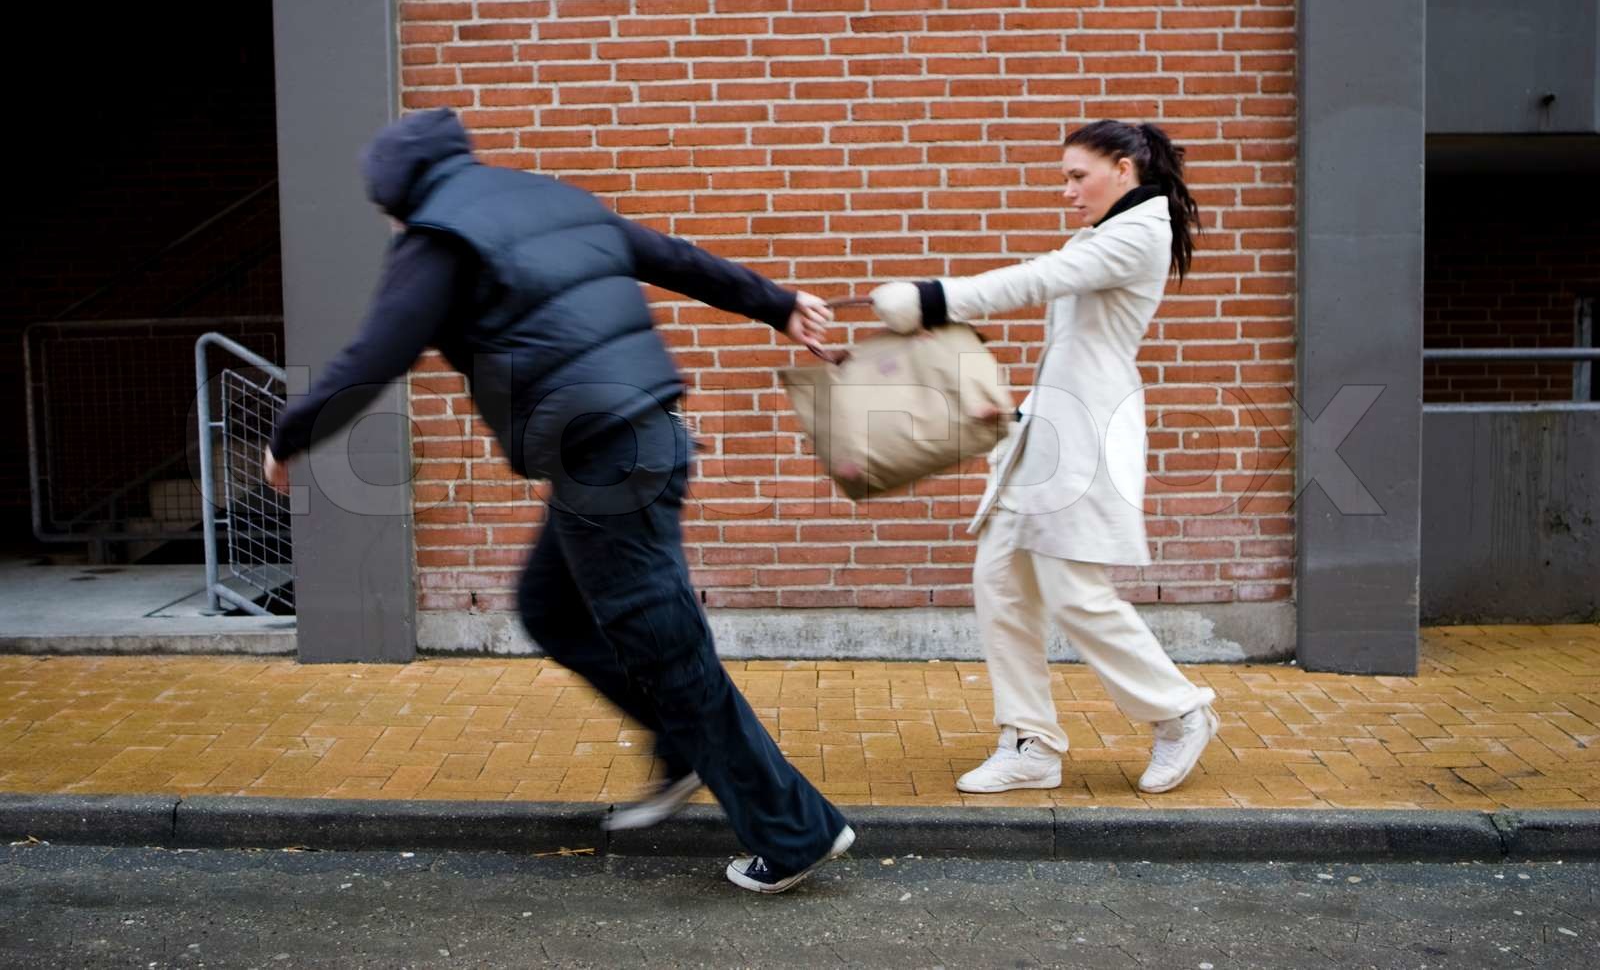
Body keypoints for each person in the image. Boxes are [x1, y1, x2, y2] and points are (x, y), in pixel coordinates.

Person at [263, 108, 853, 893]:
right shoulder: (551, 198)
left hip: (607, 454)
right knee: (551, 605)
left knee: (671, 654)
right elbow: (671, 257)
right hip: (637, 439)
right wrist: (775, 303)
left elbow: (376, 352)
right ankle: (682, 750)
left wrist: (289, 434)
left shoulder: (438, 239)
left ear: (398, 195)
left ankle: (795, 832)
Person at [868, 119, 1219, 795]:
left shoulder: (1138, 232)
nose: (1066, 190)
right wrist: (1020, 410)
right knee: (999, 578)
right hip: (1051, 430)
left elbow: (1039, 279)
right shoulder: (1105, 232)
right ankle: (1031, 741)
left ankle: (1180, 711)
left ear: (1123, 168)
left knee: (1073, 590)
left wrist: (931, 299)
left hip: (1086, 434)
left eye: (1076, 175)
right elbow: (1074, 345)